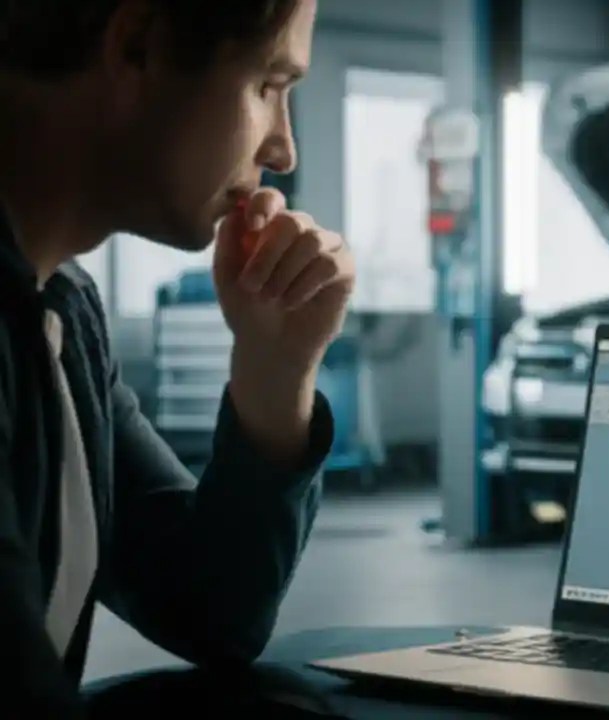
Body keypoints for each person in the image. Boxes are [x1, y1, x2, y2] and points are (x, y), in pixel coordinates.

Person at [0, 0, 355, 715]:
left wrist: (274, 370)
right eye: (267, 86)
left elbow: (213, 612)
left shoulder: (63, 312)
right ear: (137, 47)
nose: (284, 150)